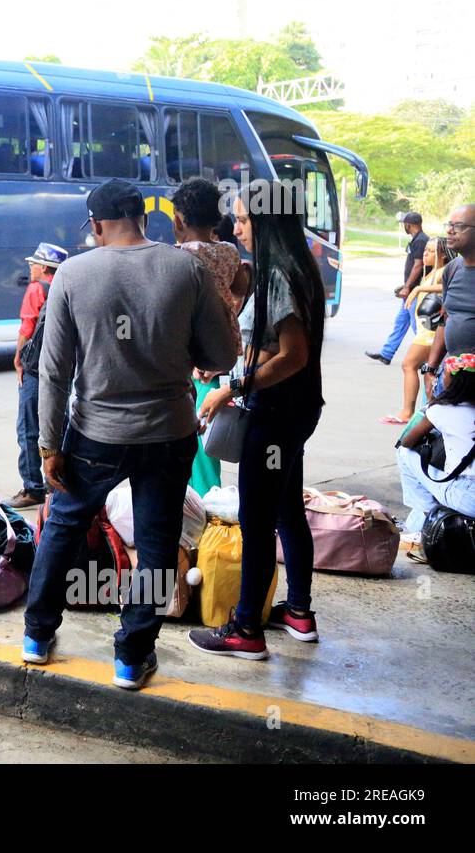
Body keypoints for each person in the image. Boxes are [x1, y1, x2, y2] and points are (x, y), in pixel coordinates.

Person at [22, 179, 236, 689]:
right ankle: (132, 658)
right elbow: (223, 356)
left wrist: (48, 444)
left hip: (95, 433)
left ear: (96, 225)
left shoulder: (73, 273)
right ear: (146, 217)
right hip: (169, 431)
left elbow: (53, 371)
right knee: (159, 543)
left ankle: (36, 636)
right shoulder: (188, 268)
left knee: (64, 525)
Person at [193, 179, 327, 658]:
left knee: (256, 517)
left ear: (269, 222)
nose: (237, 228)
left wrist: (232, 388)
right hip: (293, 410)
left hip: (276, 414)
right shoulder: (292, 268)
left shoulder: (280, 276)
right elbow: (265, 344)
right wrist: (227, 366)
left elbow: (292, 356)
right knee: (288, 510)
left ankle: (246, 629)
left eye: (246, 220)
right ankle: (299, 612)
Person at [171, 177, 247, 495]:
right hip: (220, 353)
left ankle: (203, 507)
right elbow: (240, 289)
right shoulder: (229, 253)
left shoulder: (178, 257)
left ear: (178, 220)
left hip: (192, 362)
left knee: (197, 448)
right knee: (203, 441)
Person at [6, 242, 67, 509]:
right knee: (58, 426)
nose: (29, 268)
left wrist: (18, 358)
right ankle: (56, 485)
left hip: (35, 370)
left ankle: (33, 488)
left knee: (29, 427)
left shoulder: (36, 288)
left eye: (33, 263)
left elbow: (27, 326)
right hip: (61, 368)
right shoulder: (66, 287)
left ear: (43, 267)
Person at [396, 354, 475, 553]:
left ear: (454, 383)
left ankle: (426, 518)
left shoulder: (441, 409)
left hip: (466, 495)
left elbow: (407, 441)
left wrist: (430, 404)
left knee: (405, 454)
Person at [382, 238, 449, 425]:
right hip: (425, 331)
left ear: (442, 255)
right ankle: (427, 412)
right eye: (425, 250)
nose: (425, 254)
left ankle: (407, 412)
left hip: (430, 334)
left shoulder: (443, 271)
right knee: (429, 372)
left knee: (409, 364)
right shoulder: (432, 272)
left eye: (431, 251)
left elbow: (446, 286)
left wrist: (419, 288)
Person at [424, 203, 475, 396]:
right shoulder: (452, 269)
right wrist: (430, 369)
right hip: (449, 375)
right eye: (449, 224)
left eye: (459, 226)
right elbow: (445, 320)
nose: (449, 231)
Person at [367, 212, 428, 365]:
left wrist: (407, 287)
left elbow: (418, 265)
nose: (403, 227)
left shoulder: (421, 240)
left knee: (418, 327)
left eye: (404, 224)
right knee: (400, 323)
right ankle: (386, 354)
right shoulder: (417, 239)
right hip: (410, 292)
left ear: (410, 224)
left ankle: (428, 357)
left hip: (415, 292)